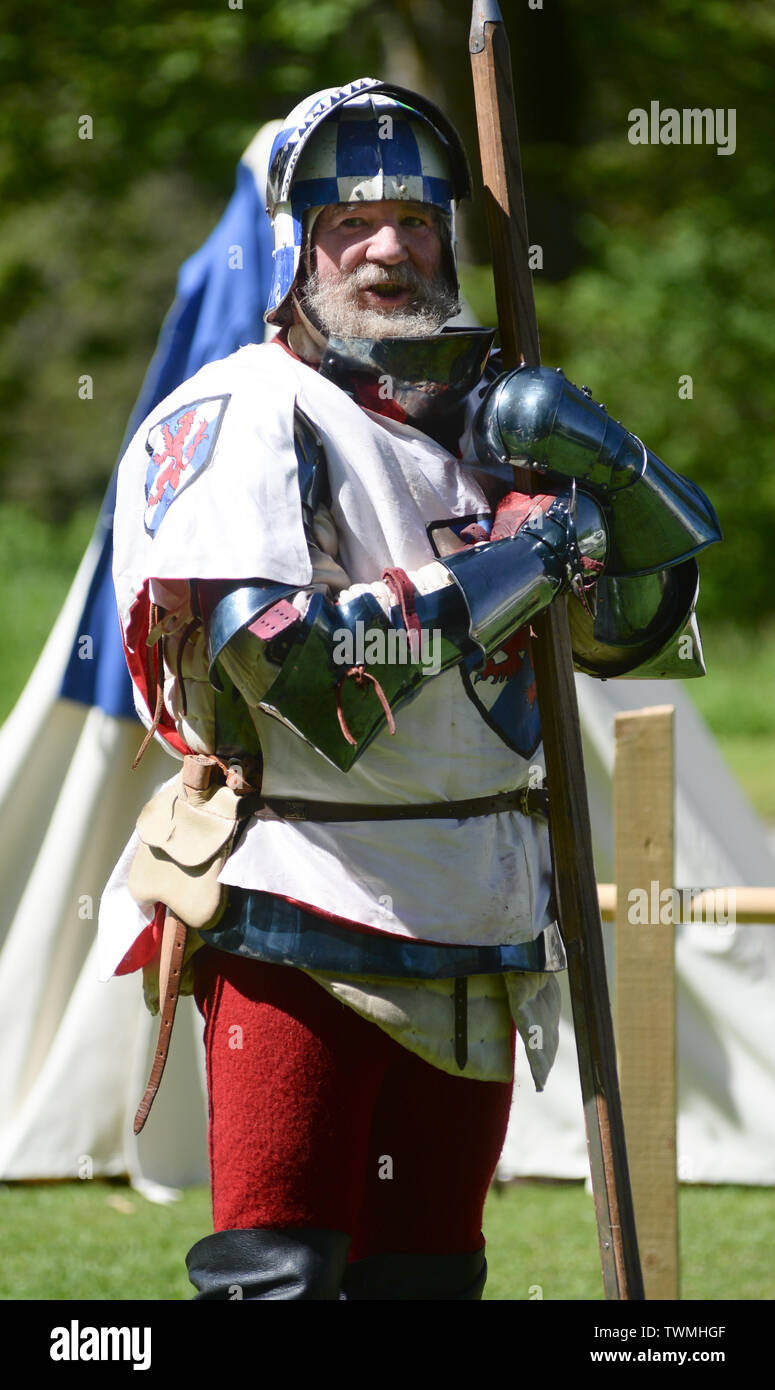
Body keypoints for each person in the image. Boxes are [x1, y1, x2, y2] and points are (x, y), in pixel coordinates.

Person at [101, 77, 721, 1300]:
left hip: (483, 908)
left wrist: (610, 475)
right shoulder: (242, 412)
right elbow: (299, 669)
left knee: (430, 1278)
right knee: (278, 1277)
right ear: (297, 245)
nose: (389, 247)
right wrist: (536, 552)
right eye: (350, 223)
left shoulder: (490, 416)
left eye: (418, 222)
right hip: (305, 901)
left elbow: (631, 630)